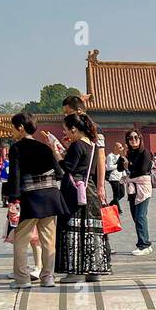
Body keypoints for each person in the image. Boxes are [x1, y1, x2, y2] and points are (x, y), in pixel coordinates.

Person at [2, 112, 62, 288]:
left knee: (22, 238)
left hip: (30, 198)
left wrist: (13, 199)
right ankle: (48, 277)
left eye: (13, 127)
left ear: (20, 128)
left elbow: (15, 175)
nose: (11, 131)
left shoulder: (16, 148)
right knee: (48, 239)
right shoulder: (44, 147)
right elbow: (59, 173)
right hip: (51, 197)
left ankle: (22, 279)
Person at [55, 113, 112, 282]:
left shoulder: (77, 145)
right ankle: (94, 270)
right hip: (90, 190)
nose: (65, 133)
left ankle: (75, 272)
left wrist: (56, 151)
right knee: (90, 229)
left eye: (66, 129)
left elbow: (68, 167)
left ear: (73, 129)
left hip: (74, 192)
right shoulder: (92, 145)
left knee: (73, 228)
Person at [123, 130, 154, 256]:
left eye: (136, 137)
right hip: (132, 187)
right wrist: (123, 157)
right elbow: (120, 167)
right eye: (130, 138)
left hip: (142, 187)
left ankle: (143, 245)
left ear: (140, 139)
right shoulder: (129, 153)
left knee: (140, 215)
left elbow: (142, 169)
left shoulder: (145, 152)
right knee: (136, 216)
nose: (133, 140)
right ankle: (146, 242)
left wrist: (128, 166)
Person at [106, 142, 127, 210]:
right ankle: (119, 209)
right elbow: (109, 167)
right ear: (115, 147)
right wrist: (118, 166)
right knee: (116, 194)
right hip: (113, 177)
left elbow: (123, 167)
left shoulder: (120, 156)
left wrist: (124, 175)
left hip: (120, 177)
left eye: (121, 147)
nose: (121, 149)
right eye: (120, 147)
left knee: (122, 194)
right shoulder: (110, 156)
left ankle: (111, 204)